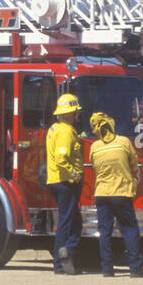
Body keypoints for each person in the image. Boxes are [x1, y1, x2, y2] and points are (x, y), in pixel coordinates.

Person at [88, 112, 143, 278]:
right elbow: (133, 162)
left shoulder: (95, 146)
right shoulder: (123, 142)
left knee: (105, 231)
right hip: (121, 193)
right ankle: (136, 268)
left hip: (101, 194)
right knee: (129, 230)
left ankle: (107, 269)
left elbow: (94, 165)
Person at [46, 94, 84, 274]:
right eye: (76, 110)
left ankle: (67, 253)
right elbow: (62, 158)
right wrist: (74, 174)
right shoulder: (66, 132)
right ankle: (61, 261)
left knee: (73, 220)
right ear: (70, 113)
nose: (78, 113)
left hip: (56, 180)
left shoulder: (55, 128)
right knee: (67, 222)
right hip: (65, 182)